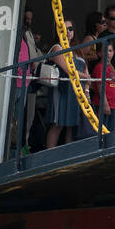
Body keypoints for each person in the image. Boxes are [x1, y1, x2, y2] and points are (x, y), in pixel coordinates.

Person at [45, 20, 88, 148]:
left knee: (71, 124)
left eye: (70, 29)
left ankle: (67, 156)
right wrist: (85, 76)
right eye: (64, 29)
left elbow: (85, 68)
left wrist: (87, 89)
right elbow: (68, 70)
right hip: (62, 90)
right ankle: (49, 155)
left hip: (76, 90)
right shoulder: (57, 48)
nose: (68, 32)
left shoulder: (77, 49)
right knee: (58, 123)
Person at [90, 41, 115, 131]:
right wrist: (105, 104)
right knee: (102, 130)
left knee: (109, 130)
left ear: (113, 52)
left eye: (110, 51)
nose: (108, 53)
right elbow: (100, 87)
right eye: (105, 51)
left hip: (112, 104)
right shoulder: (100, 67)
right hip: (102, 105)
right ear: (99, 53)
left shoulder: (110, 67)